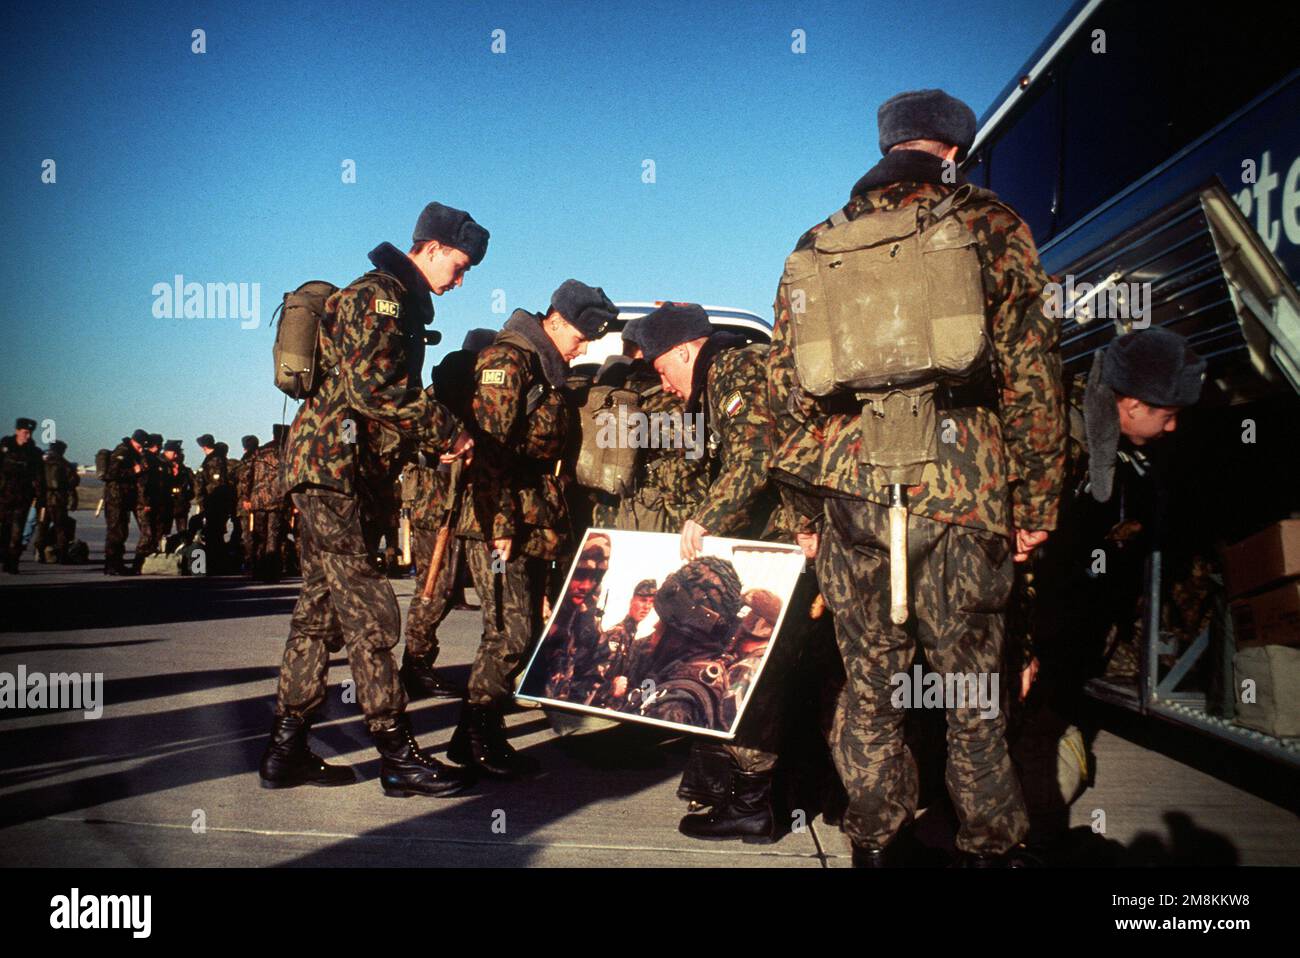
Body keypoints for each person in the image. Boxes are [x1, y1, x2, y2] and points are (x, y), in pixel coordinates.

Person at [767, 89, 1067, 867]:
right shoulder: (991, 224)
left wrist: (804, 512)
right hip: (962, 491)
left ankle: (878, 846)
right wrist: (1034, 503)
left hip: (851, 493)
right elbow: (1033, 375)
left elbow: (784, 392)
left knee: (870, 687)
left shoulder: (819, 241)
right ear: (952, 151)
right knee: (971, 695)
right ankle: (992, 849)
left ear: (887, 148)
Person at [260, 200, 486, 798]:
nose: (460, 280)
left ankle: (287, 749)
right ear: (430, 249)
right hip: (335, 471)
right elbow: (372, 387)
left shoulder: (398, 302)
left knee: (319, 612)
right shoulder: (383, 296)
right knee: (373, 612)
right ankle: (396, 753)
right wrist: (446, 430)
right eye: (458, 266)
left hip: (332, 470)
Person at [635, 302, 800, 841]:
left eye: (664, 369)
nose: (665, 384)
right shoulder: (710, 386)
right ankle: (728, 789)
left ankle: (752, 805)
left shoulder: (734, 370)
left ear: (686, 350)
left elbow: (754, 456)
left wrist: (706, 519)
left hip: (784, 548)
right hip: (770, 544)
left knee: (759, 677)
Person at [449, 278, 617, 778]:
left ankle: (473, 734)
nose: (582, 346)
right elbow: (490, 447)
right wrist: (499, 521)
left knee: (516, 630)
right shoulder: (509, 361)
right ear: (557, 321)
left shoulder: (546, 367)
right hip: (501, 521)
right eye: (580, 336)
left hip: (533, 519)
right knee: (510, 632)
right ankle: (479, 734)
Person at [399, 329, 495, 699]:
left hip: (443, 500)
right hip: (440, 501)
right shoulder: (456, 386)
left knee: (443, 584)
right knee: (435, 585)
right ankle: (415, 665)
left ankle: (417, 663)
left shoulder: (440, 387)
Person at [0, 417, 45, 573]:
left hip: (22, 499)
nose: (28, 436)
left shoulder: (34, 453)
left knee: (17, 532)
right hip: (3, 497)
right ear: (17, 431)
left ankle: (12, 563)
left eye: (31, 433)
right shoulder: (5, 448)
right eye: (25, 432)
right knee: (3, 530)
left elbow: (39, 477)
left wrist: (40, 498)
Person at [245, 425, 289, 580]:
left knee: (258, 536)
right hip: (278, 500)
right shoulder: (286, 451)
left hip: (258, 499)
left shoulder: (259, 451)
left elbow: (247, 475)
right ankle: (271, 573)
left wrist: (246, 497)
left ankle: (256, 570)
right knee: (273, 537)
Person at [103, 430, 146, 575]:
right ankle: (111, 564)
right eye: (139, 446)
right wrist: (133, 470)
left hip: (124, 498)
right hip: (115, 498)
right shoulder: (122, 451)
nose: (141, 450)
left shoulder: (132, 453)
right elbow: (111, 473)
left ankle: (117, 563)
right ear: (134, 441)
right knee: (116, 531)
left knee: (122, 531)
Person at [35, 439, 78, 563]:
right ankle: (62, 556)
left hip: (43, 501)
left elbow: (36, 482)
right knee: (61, 528)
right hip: (58, 501)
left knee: (42, 527)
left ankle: (40, 553)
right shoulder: (64, 464)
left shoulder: (42, 463)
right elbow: (73, 481)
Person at [195, 434, 233, 562]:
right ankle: (217, 560)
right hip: (217, 502)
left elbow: (216, 485)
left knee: (213, 532)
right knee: (216, 532)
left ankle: (214, 561)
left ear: (204, 447)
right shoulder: (216, 459)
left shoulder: (214, 461)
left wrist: (202, 501)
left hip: (214, 503)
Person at [161, 440, 194, 538]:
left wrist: (187, 496)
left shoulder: (184, 470)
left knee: (183, 532)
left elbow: (194, 485)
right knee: (163, 532)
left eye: (178, 453)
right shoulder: (161, 467)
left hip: (181, 505)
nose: (176, 456)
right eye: (174, 453)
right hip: (165, 505)